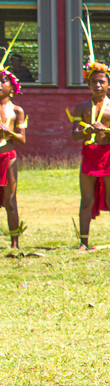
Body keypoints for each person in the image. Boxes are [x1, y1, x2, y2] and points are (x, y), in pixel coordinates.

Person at [68, 56, 110, 250]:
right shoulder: (81, 107)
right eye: (94, 81)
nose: (98, 85)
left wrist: (105, 130)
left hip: (108, 153)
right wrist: (86, 131)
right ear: (88, 83)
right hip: (89, 153)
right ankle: (83, 242)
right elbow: (75, 135)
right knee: (86, 199)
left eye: (102, 81)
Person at [0, 51, 27, 248]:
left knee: (10, 201)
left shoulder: (16, 110)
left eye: (2, 81)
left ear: (11, 86)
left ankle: (15, 242)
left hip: (8, 156)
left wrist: (8, 132)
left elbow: (22, 139)